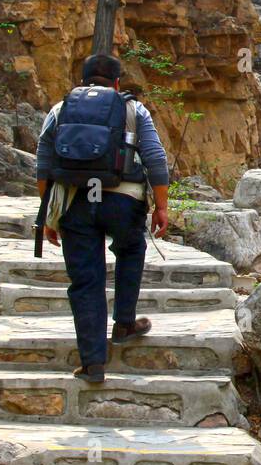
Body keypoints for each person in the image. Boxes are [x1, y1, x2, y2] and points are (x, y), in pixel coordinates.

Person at [35, 54, 170, 384]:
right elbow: (154, 157)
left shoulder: (62, 108)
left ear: (82, 81)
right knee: (130, 249)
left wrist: (50, 214)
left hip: (76, 203)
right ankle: (124, 322)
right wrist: (162, 207)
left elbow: (43, 162)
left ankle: (93, 363)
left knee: (86, 281)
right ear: (117, 82)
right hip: (122, 201)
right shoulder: (132, 109)